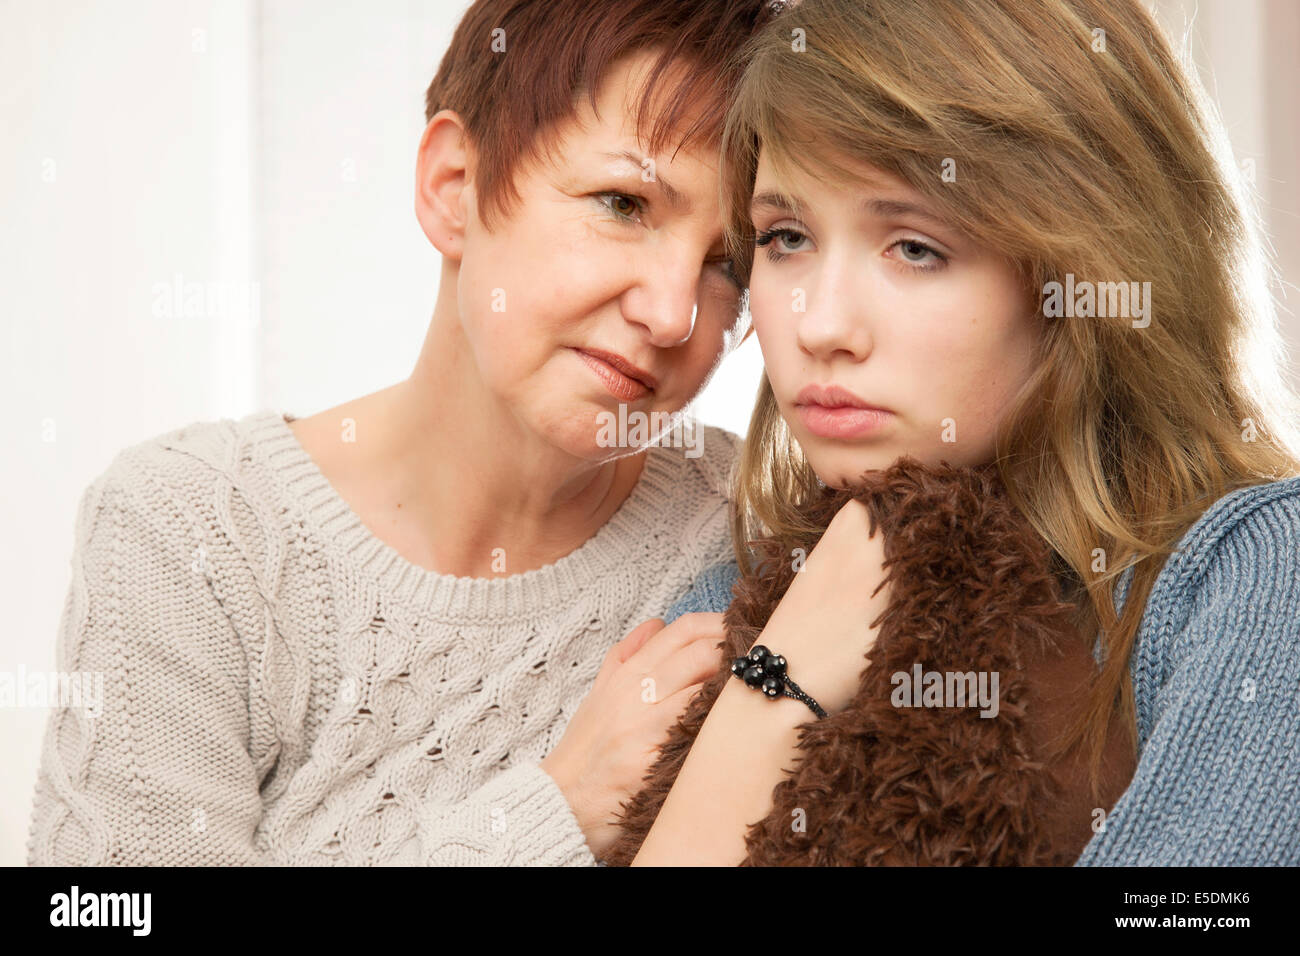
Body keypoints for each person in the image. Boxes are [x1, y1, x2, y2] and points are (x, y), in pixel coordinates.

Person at [26, 0, 778, 867]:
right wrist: (556, 812)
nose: (674, 312)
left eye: (730, 264)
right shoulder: (191, 534)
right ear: (452, 187)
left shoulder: (754, 538)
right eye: (622, 202)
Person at [642, 0, 1300, 865]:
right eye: (786, 236)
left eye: (914, 247)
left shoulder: (1255, 571)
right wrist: (777, 680)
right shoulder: (742, 590)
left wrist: (768, 691)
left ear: (1079, 277)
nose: (819, 325)